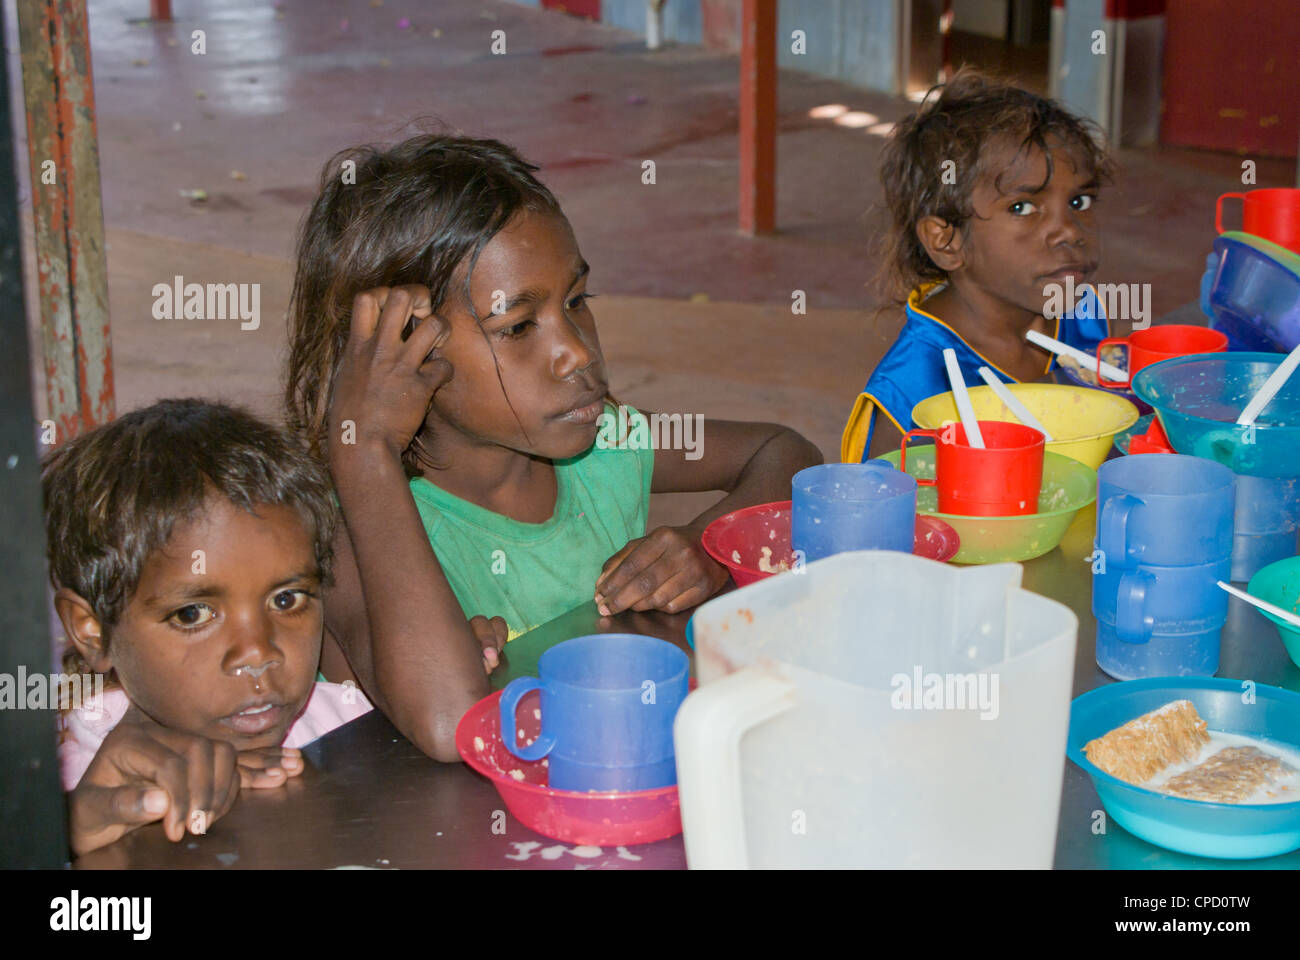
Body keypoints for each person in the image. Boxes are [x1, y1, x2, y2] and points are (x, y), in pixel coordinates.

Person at [284, 133, 822, 761]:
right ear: (401, 352)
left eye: (577, 301)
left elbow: (787, 454)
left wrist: (708, 548)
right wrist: (365, 446)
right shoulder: (349, 523)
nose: (578, 352)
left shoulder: (607, 443)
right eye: (517, 327)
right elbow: (451, 722)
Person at [44, 399, 372, 855]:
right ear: (92, 631)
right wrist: (71, 838)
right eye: (193, 614)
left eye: (286, 599)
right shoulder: (82, 782)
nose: (257, 653)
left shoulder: (348, 725)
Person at [843, 69, 1116, 462]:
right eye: (1022, 207)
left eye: (1080, 202)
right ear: (947, 240)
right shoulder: (911, 394)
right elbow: (883, 518)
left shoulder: (1083, 317)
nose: (1068, 232)